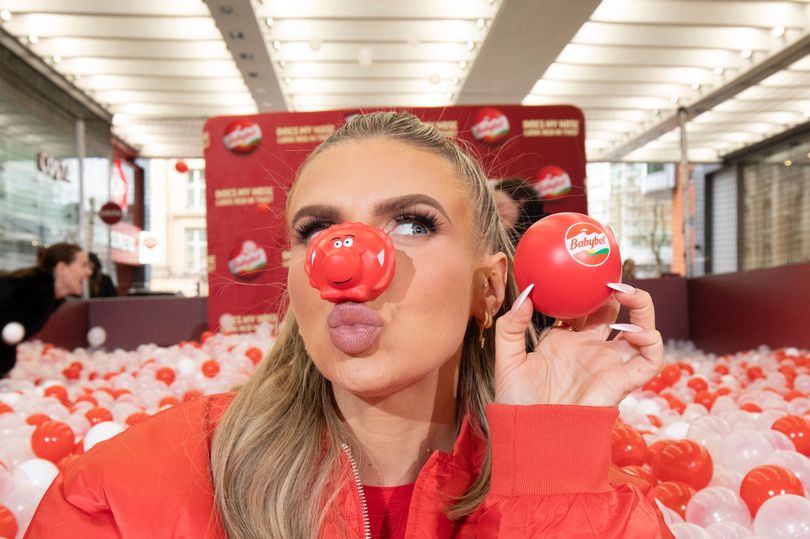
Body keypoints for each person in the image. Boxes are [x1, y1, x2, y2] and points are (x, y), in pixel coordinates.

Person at [26, 113, 670, 538]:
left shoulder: (599, 504)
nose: (350, 264)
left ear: (490, 286)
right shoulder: (119, 497)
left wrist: (548, 469)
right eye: (317, 231)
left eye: (414, 223)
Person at [0, 243, 92, 377]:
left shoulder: (48, 296)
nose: (89, 272)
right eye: (83, 265)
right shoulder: (29, 291)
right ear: (62, 268)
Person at [492, 177, 546, 244]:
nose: (493, 212)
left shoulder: (547, 230)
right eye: (492, 207)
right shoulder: (497, 241)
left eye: (499, 205)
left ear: (520, 202)